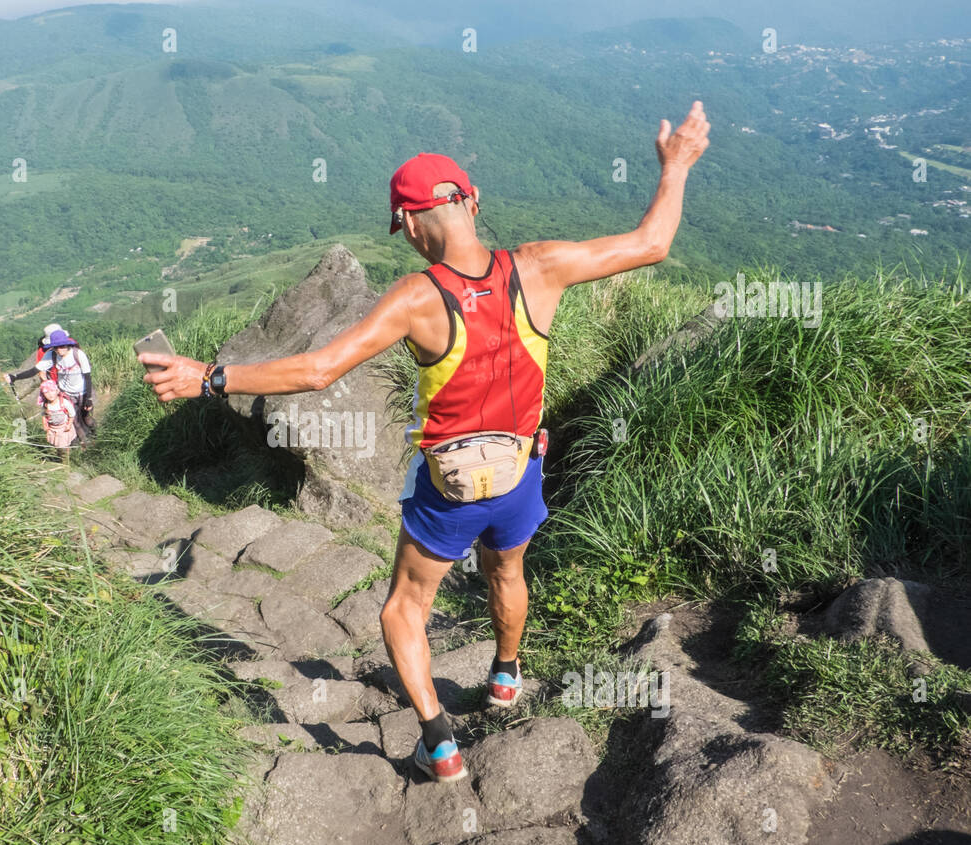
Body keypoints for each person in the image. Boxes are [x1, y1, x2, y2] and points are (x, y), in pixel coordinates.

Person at [139, 102, 710, 783]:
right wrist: (675, 165)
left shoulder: (416, 297)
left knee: (402, 608)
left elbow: (319, 370)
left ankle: (438, 743)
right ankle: (505, 677)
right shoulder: (541, 267)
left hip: (451, 491)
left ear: (410, 224)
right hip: (523, 470)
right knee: (508, 572)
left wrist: (210, 376)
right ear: (472, 203)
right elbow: (652, 243)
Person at [7, 329, 94, 445]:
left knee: (87, 419)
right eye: (56, 347)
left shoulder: (78, 354)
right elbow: (34, 370)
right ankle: (86, 444)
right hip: (66, 393)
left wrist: (89, 399)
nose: (59, 349)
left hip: (82, 392)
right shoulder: (51, 355)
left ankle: (95, 434)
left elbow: (88, 377)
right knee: (75, 421)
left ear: (67, 344)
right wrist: (15, 377)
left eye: (62, 346)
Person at [37, 379, 77, 461]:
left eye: (52, 391)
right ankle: (60, 456)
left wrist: (69, 424)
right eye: (46, 392)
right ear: (43, 394)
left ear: (57, 390)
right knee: (57, 446)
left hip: (63, 428)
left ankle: (65, 464)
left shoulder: (64, 403)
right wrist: (45, 424)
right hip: (52, 429)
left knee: (63, 448)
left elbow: (72, 414)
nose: (50, 394)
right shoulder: (45, 405)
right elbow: (44, 415)